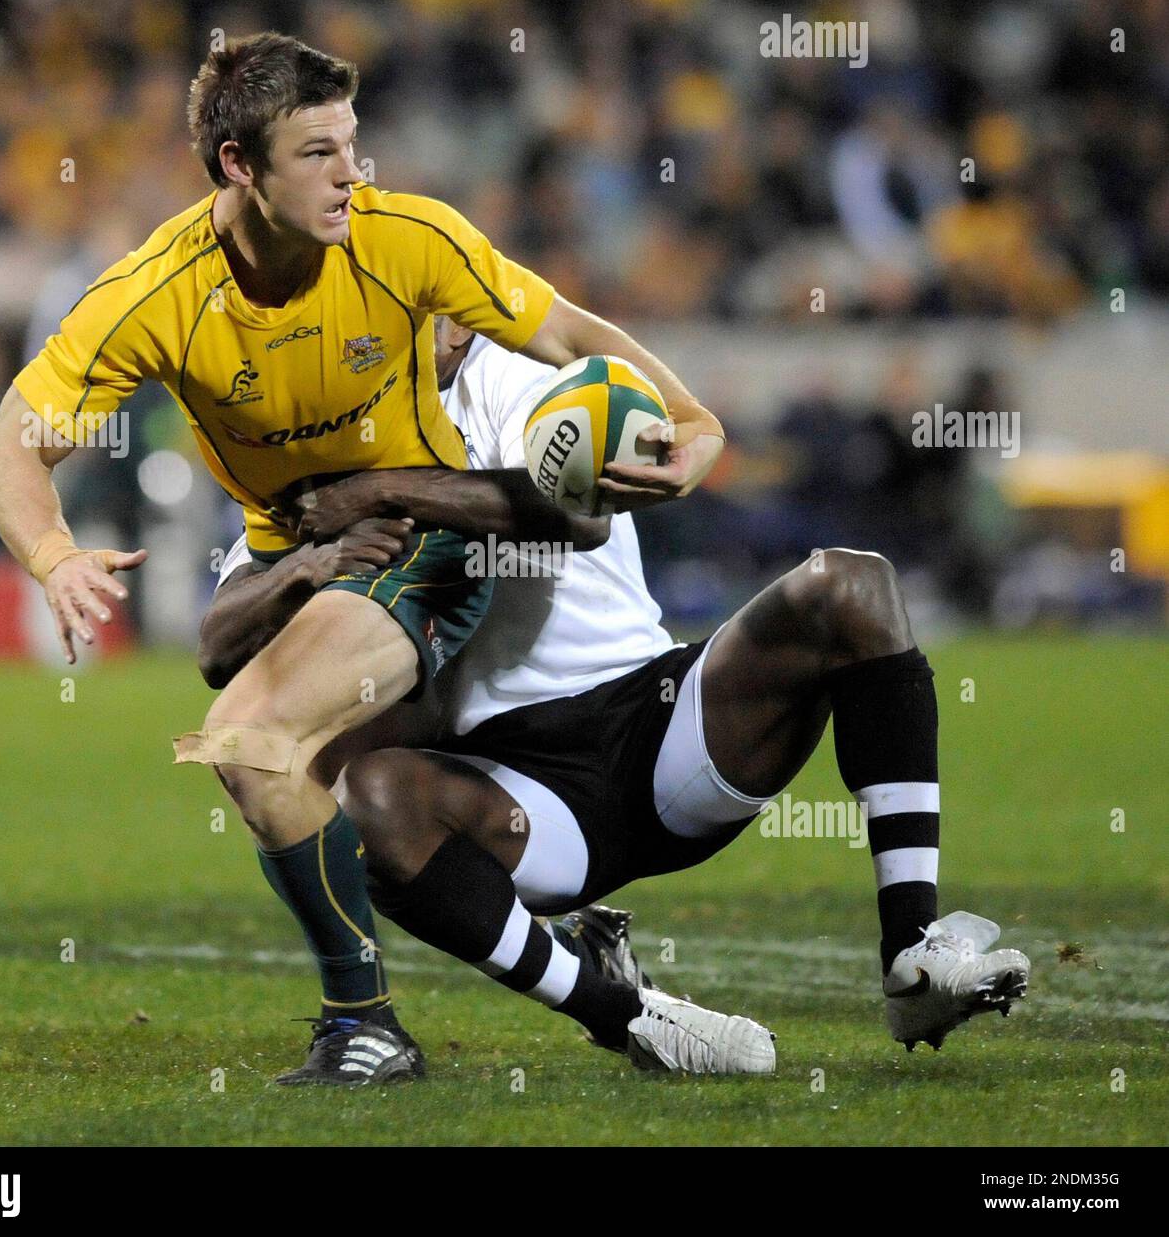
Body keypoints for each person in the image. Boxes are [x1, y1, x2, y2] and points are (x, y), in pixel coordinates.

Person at [0, 33, 726, 1085]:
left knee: (250, 741)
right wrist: (54, 554)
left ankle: (367, 1027)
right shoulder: (155, 295)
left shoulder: (405, 236)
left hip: (426, 542)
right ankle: (574, 949)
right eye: (319, 153)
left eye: (353, 144)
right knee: (293, 773)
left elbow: (564, 330)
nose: (351, 174)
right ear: (239, 165)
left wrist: (692, 417)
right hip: (307, 555)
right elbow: (16, 441)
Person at [202, 319, 1032, 1077]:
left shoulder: (522, 375)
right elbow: (218, 643)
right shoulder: (334, 439)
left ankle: (914, 952)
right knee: (361, 789)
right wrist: (306, 567)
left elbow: (575, 512)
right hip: (517, 793)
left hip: (663, 721)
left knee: (851, 584)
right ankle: (626, 1014)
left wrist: (388, 497)